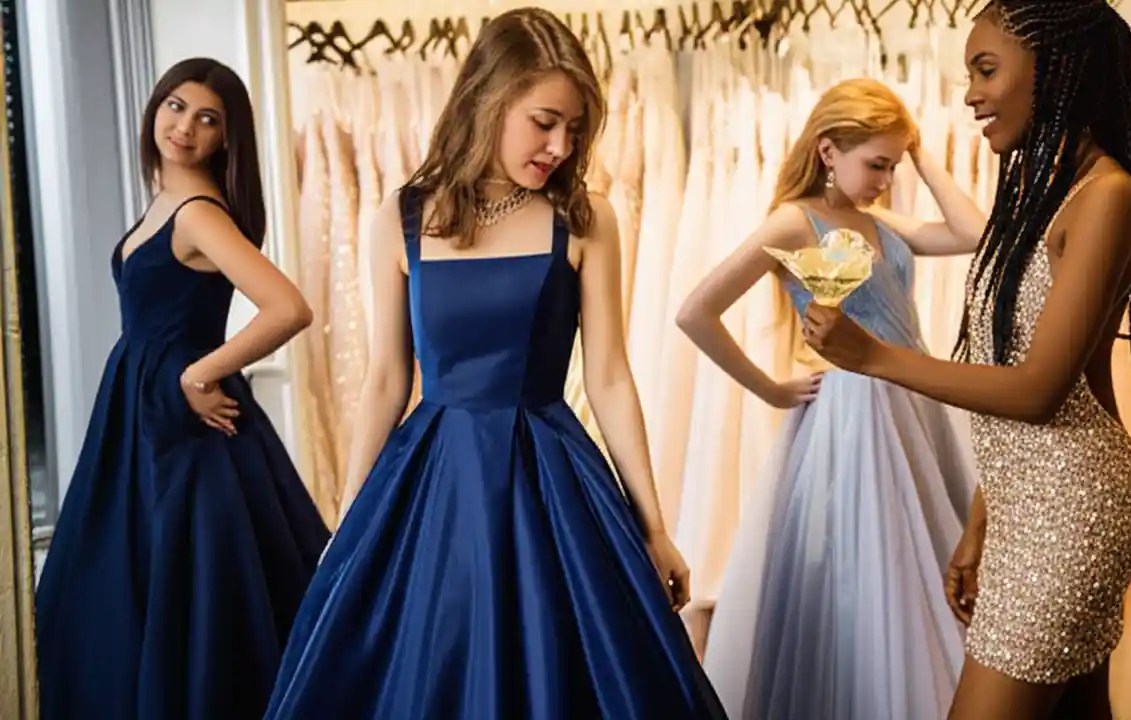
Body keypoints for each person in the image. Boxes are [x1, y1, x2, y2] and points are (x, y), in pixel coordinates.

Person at [263, 9, 726, 719]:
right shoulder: (400, 218)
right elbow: (388, 378)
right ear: (488, 96)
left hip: (550, 482)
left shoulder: (585, 218)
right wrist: (352, 521)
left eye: (574, 129)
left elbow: (608, 375)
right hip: (432, 479)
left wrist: (654, 525)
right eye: (544, 121)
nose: (560, 146)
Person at [801, 2, 1131, 718]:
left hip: (1077, 512)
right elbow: (1014, 390)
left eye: (985, 69)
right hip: (1028, 507)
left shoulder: (1109, 198)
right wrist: (982, 523)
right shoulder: (1040, 198)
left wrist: (874, 355)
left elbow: (1039, 392)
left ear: (1056, 68)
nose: (969, 93)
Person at [678, 77, 983, 719]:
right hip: (856, 418)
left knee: (929, 568)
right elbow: (695, 312)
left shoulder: (876, 220)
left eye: (893, 166)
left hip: (914, 404)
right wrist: (771, 389)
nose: (885, 179)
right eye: (877, 164)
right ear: (827, 151)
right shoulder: (796, 222)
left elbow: (972, 231)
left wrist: (921, 151)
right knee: (872, 576)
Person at [35, 58, 330, 719]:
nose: (184, 126)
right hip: (141, 411)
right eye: (174, 106)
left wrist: (199, 373)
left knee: (183, 593)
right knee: (123, 587)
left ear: (227, 138)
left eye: (207, 118)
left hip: (185, 422)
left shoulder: (199, 214)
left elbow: (288, 307)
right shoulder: (167, 201)